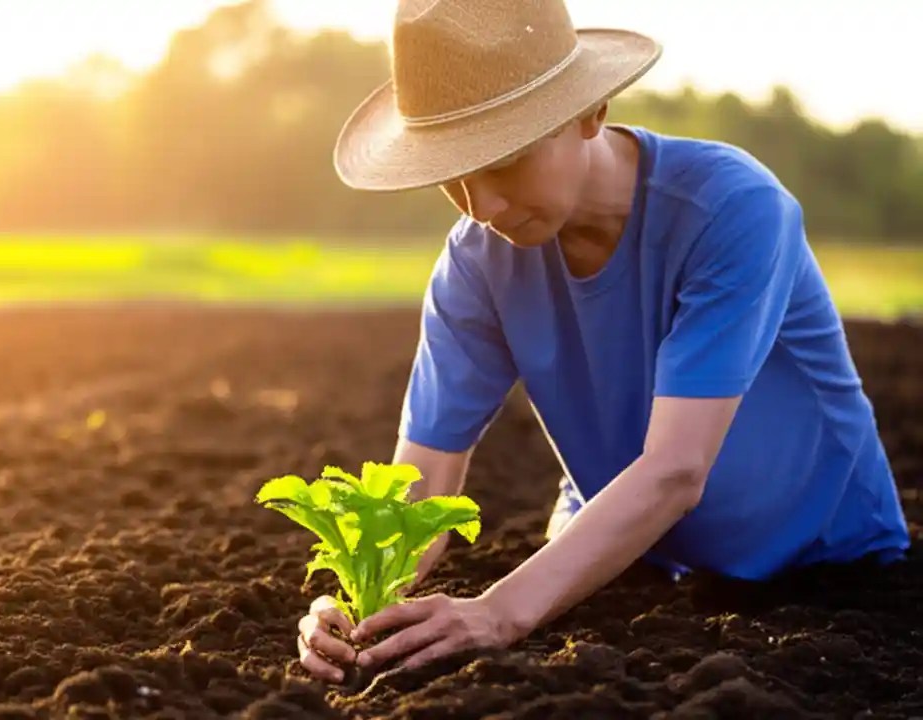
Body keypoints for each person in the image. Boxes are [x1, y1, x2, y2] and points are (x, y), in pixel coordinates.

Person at [295, 0, 911, 684]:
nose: (482, 208)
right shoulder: (476, 260)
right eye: (453, 175)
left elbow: (678, 469)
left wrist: (498, 612)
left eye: (505, 162)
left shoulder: (732, 211)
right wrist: (362, 602)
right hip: (633, 569)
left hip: (823, 577)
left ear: (592, 113)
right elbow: (424, 483)